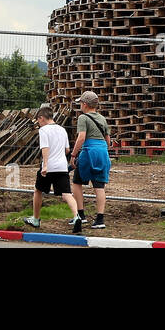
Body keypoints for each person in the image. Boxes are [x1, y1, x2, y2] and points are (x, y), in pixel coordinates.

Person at [23, 105, 80, 232]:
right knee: (67, 194)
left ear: (41, 118)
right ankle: (77, 216)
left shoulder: (43, 130)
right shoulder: (62, 130)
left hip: (49, 167)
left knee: (38, 190)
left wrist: (45, 165)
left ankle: (36, 219)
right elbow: (67, 149)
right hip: (62, 167)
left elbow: (45, 148)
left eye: (38, 120)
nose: (38, 123)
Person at [69, 90, 111, 230]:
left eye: (80, 103)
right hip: (102, 152)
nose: (80, 105)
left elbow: (81, 137)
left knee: (77, 182)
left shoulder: (83, 118)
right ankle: (100, 219)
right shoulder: (102, 119)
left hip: (88, 152)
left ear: (85, 104)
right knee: (99, 187)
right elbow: (108, 141)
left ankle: (81, 215)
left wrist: (73, 155)